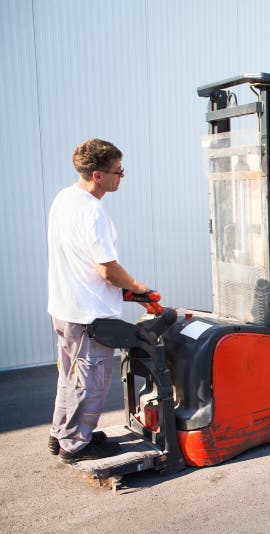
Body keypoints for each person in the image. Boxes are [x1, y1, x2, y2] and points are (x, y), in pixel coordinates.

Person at [47, 138, 150, 463]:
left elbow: (82, 259)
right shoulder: (92, 211)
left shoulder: (65, 198)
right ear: (97, 175)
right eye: (117, 171)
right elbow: (107, 268)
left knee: (69, 375)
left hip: (65, 308)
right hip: (87, 313)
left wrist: (125, 290)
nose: (121, 176)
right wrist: (138, 287)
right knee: (89, 382)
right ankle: (76, 445)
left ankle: (60, 433)